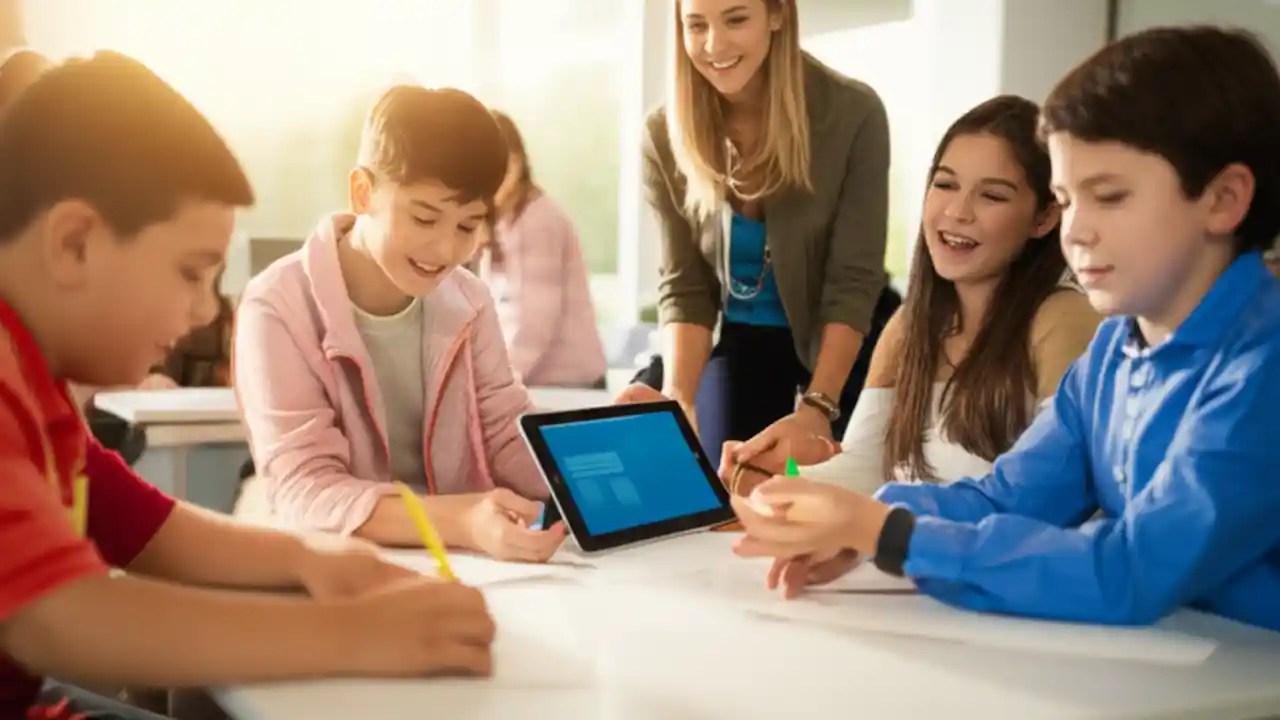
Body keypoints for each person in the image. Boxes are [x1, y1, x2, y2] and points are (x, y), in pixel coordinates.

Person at [731, 26, 1280, 632]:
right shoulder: (1112, 355)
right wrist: (859, 522)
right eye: (1069, 200)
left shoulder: (1263, 366)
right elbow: (1008, 498)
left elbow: (1130, 569)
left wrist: (884, 531)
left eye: (1110, 197)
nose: (1077, 231)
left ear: (1225, 198)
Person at [0, 52, 496, 720]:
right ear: (74, 244)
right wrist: (358, 636)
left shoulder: (40, 387)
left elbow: (145, 528)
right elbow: (60, 616)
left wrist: (308, 558)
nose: (208, 311)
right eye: (190, 272)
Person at [234, 86, 665, 562]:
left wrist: (607, 445)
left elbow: (506, 433)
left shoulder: (468, 299)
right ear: (362, 192)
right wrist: (461, 520)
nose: (444, 250)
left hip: (465, 564)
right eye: (424, 218)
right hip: (346, 566)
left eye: (467, 226)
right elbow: (304, 488)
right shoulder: (277, 306)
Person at [722, 96, 1101, 496]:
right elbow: (865, 470)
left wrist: (890, 521)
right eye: (945, 184)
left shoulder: (1063, 317)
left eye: (991, 196)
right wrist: (773, 479)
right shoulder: (909, 324)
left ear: (1044, 217)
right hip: (908, 553)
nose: (957, 211)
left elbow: (1050, 491)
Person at [645, 0, 891, 468]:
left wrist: (818, 407)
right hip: (742, 340)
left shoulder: (853, 113)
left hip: (845, 338)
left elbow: (853, 282)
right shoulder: (662, 133)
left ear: (777, 14)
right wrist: (677, 396)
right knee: (729, 480)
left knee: (827, 488)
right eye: (696, 25)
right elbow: (686, 286)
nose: (713, 46)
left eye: (736, 19)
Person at [484, 111, 607, 388]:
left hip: (566, 384)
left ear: (517, 162)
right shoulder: (506, 219)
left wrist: (499, 387)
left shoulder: (536, 220)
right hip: (547, 381)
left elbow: (534, 323)